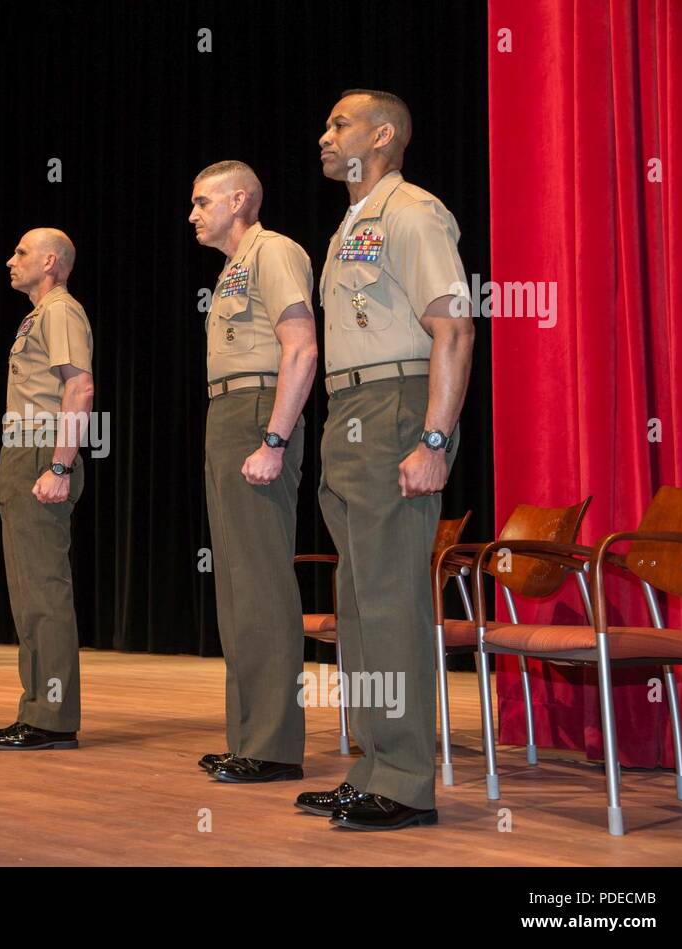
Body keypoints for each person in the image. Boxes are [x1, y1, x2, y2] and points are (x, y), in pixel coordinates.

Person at [296, 89, 474, 830]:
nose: (325, 135)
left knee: (394, 598)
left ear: (385, 133)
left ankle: (405, 780)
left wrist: (433, 440)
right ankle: (372, 764)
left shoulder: (412, 212)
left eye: (340, 123)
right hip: (348, 411)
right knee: (363, 605)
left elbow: (455, 329)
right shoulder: (351, 225)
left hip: (396, 406)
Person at [188, 161, 318, 782]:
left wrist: (274, 437)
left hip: (259, 412)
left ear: (238, 199)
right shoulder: (231, 268)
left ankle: (272, 746)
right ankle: (247, 736)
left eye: (201, 201)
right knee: (236, 586)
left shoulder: (275, 251)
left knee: (261, 581)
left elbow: (302, 347)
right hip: (227, 411)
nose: (192, 213)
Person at [0, 228, 94, 751]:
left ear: (51, 261)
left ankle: (51, 716)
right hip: (23, 452)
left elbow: (80, 386)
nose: (11, 259)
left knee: (44, 592)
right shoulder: (38, 314)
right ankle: (38, 709)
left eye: (20, 251)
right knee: (29, 595)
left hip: (41, 452)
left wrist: (61, 466)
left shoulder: (59, 311)